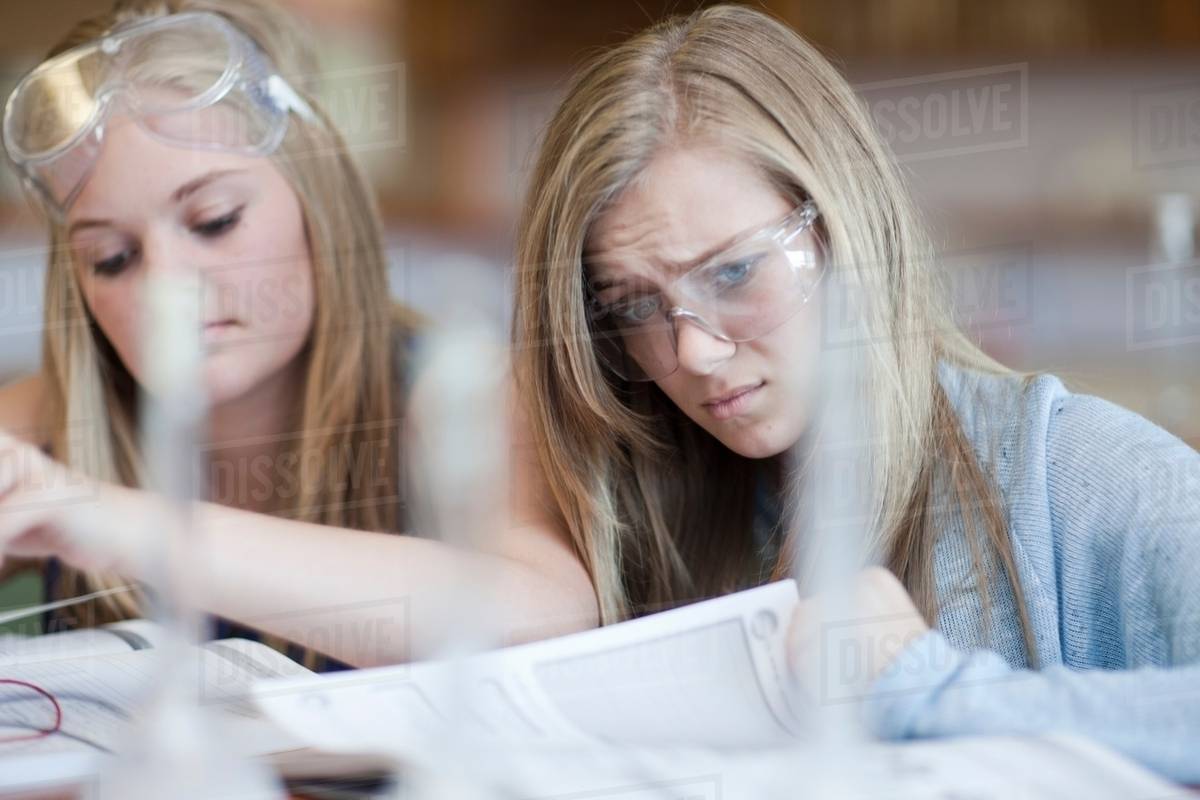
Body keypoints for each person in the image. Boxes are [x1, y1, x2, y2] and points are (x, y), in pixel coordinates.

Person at [510, 4, 1200, 783]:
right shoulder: (650, 509)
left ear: (845, 229)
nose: (694, 353)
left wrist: (931, 691)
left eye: (734, 272)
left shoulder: (1078, 472)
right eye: (636, 306)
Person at [0, 0, 594, 669]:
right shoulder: (48, 424)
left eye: (215, 220)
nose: (166, 285)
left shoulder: (456, 394)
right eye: (111, 258)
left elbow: (548, 610)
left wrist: (121, 524)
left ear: (320, 200)